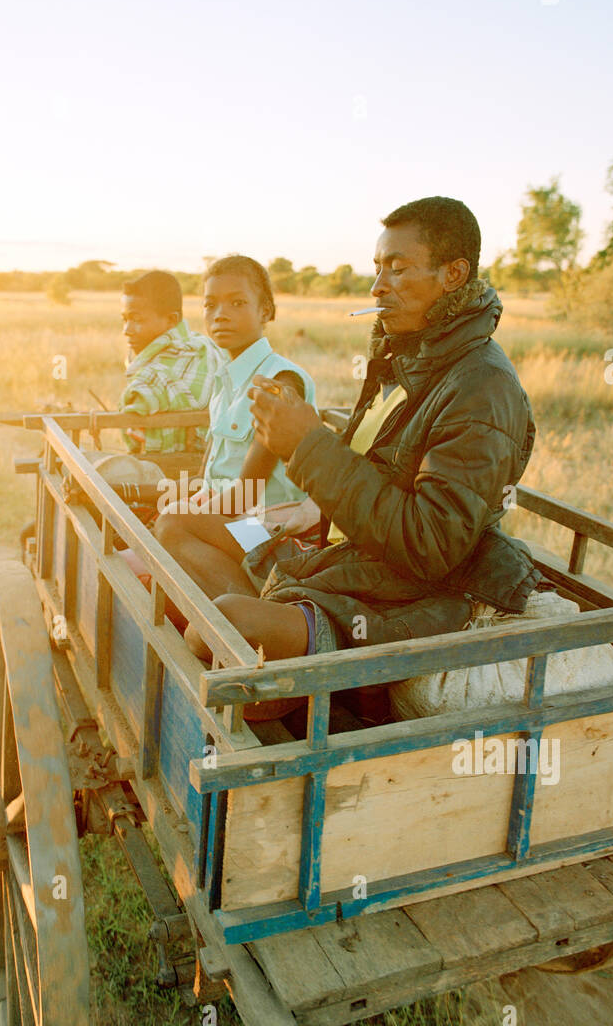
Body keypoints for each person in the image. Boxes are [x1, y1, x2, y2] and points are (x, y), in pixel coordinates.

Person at [180, 198, 541, 672]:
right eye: (377, 269)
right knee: (182, 525)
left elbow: (429, 545)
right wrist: (309, 507)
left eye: (397, 269)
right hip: (330, 553)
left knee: (224, 621)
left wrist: (307, 445)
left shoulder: (481, 387)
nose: (376, 288)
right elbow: (366, 477)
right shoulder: (403, 359)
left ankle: (281, 613)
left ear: (453, 275)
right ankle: (277, 600)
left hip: (390, 596)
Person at [154, 254, 319, 602]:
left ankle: (258, 612)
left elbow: (245, 495)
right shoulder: (223, 381)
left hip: (266, 531)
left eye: (238, 303)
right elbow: (209, 478)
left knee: (172, 523)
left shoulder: (279, 380)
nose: (220, 315)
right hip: (232, 521)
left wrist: (187, 509)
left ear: (266, 311)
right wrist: (179, 496)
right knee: (165, 519)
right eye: (210, 305)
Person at [118, 269, 221, 455]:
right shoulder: (196, 343)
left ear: (171, 320)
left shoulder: (160, 373)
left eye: (137, 319)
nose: (127, 330)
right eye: (125, 319)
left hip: (181, 469)